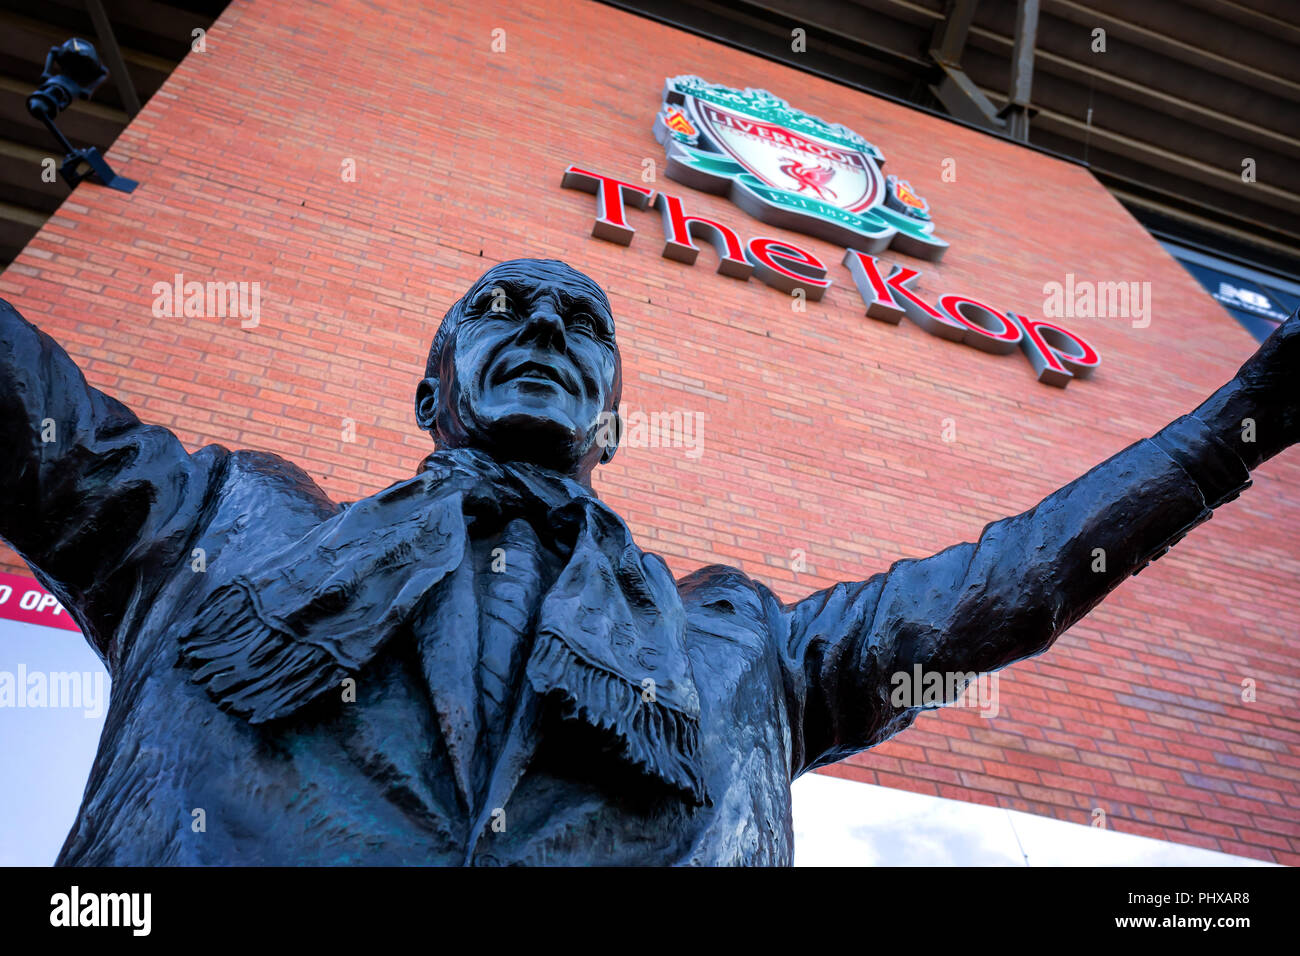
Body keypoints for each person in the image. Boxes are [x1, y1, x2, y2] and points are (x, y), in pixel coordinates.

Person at [0, 258, 1294, 865]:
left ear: (612, 421)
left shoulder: (738, 650)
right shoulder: (212, 526)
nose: (547, 329)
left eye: (584, 322)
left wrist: (1240, 426)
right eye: (500, 311)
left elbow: (1002, 588)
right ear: (426, 393)